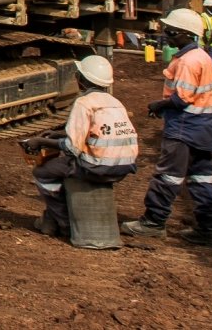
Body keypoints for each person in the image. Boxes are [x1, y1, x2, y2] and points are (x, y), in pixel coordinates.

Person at [122, 6, 212, 247]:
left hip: (185, 128)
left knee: (169, 176)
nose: (167, 35)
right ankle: (210, 231)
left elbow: (181, 98)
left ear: (186, 34)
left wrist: (159, 105)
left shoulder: (188, 61)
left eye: (172, 32)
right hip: (205, 129)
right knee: (201, 179)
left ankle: (153, 222)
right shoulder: (203, 57)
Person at [25, 54, 138, 239]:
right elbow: (100, 132)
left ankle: (65, 223)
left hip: (97, 166)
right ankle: (51, 220)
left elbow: (71, 149)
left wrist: (42, 141)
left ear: (82, 80)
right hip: (124, 167)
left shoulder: (84, 103)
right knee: (63, 167)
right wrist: (60, 134)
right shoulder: (115, 103)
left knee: (43, 173)